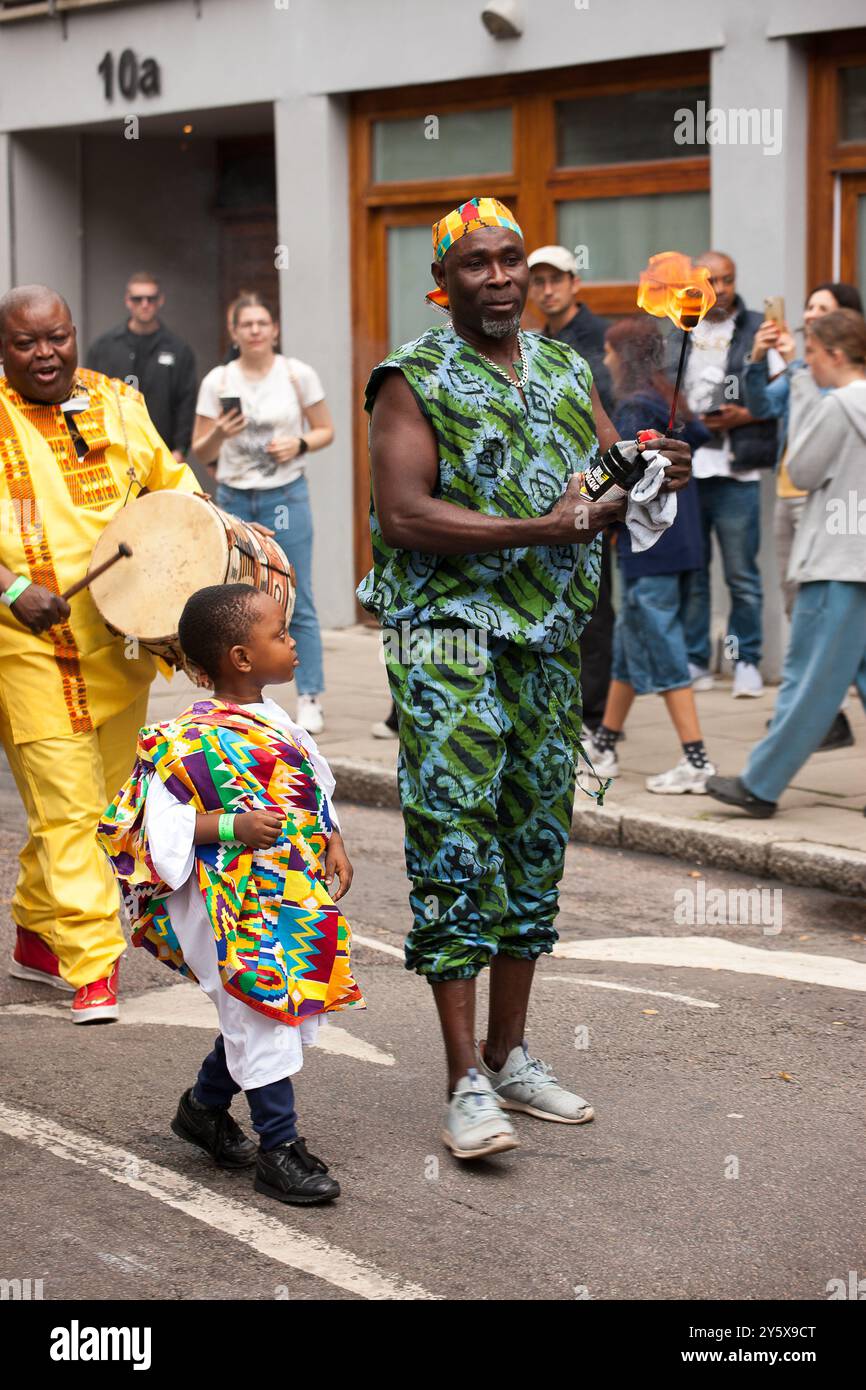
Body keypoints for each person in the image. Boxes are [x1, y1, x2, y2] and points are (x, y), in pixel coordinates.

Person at [359, 195, 692, 1161]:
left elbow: (596, 475)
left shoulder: (561, 365)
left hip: (547, 644)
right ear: (443, 281)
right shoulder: (410, 378)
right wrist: (543, 529)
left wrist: (647, 466)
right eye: (477, 264)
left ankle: (509, 1055)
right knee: (456, 841)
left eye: (510, 259)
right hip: (449, 643)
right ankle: (463, 1078)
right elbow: (405, 514)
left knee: (534, 843)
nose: (500, 277)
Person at [97, 585, 364, 1204]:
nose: (293, 642)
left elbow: (313, 788)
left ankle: (203, 1108)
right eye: (281, 634)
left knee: (263, 1008)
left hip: (284, 894)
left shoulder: (279, 723)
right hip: (222, 907)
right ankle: (279, 1149)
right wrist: (229, 827)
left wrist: (334, 841)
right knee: (262, 1010)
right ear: (241, 658)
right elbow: (147, 828)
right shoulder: (186, 740)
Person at [0, 284, 201, 1021]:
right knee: (68, 809)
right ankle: (93, 963)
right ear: (3, 349)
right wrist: (10, 588)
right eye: (26, 343)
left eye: (56, 336)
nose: (45, 353)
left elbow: (172, 490)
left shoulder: (118, 402)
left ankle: (34, 932)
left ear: (75, 333)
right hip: (28, 646)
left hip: (121, 645)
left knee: (101, 805)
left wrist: (209, 545)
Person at [706, 310, 866, 817]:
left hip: (835, 562)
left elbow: (801, 468)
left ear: (835, 355)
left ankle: (761, 785)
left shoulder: (839, 405)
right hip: (856, 556)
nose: (807, 363)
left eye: (812, 354)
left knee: (811, 683)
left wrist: (799, 386)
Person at [583, 316, 715, 793]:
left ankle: (696, 760)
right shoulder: (666, 401)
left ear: (627, 358)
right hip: (682, 543)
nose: (606, 359)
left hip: (651, 547)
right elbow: (699, 438)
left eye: (610, 351)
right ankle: (605, 745)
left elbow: (621, 479)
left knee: (662, 645)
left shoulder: (637, 408)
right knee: (630, 645)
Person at [193, 294, 334, 735]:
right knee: (229, 602)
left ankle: (309, 696)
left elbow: (325, 429)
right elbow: (201, 448)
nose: (255, 330)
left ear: (274, 330)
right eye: (246, 324)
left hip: (284, 495)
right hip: (233, 498)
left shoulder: (297, 374)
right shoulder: (218, 380)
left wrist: (300, 443)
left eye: (262, 323)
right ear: (234, 333)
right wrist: (220, 432)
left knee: (296, 596)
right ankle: (233, 696)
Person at [744, 280, 864, 751]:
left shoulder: (834, 374)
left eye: (822, 309)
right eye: (809, 306)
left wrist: (798, 363)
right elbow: (760, 406)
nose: (810, 314)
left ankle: (806, 719)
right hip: (788, 495)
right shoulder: (804, 365)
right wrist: (757, 360)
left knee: (825, 616)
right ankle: (821, 715)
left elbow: (817, 435)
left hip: (831, 506)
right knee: (800, 606)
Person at [678, 251, 778, 698]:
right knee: (694, 572)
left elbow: (777, 395)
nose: (720, 289)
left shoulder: (757, 327)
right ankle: (696, 660)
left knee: (741, 574)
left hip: (737, 468)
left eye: (727, 280)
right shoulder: (680, 325)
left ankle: (746, 661)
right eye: (710, 280)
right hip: (689, 466)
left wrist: (745, 415)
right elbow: (665, 389)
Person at [528, 244, 616, 732]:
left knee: (596, 604)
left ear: (574, 283)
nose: (547, 290)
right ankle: (560, 705)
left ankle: (595, 714)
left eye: (555, 280)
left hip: (598, 485)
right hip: (549, 491)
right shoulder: (534, 342)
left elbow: (611, 419)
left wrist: (615, 493)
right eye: (538, 282)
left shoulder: (600, 337)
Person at [86, 271, 197, 461]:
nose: (145, 304)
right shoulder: (103, 348)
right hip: (113, 452)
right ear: (128, 301)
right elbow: (90, 398)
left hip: (162, 455)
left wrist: (179, 451)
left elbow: (186, 404)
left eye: (151, 299)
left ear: (160, 300)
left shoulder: (179, 350)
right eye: (138, 299)